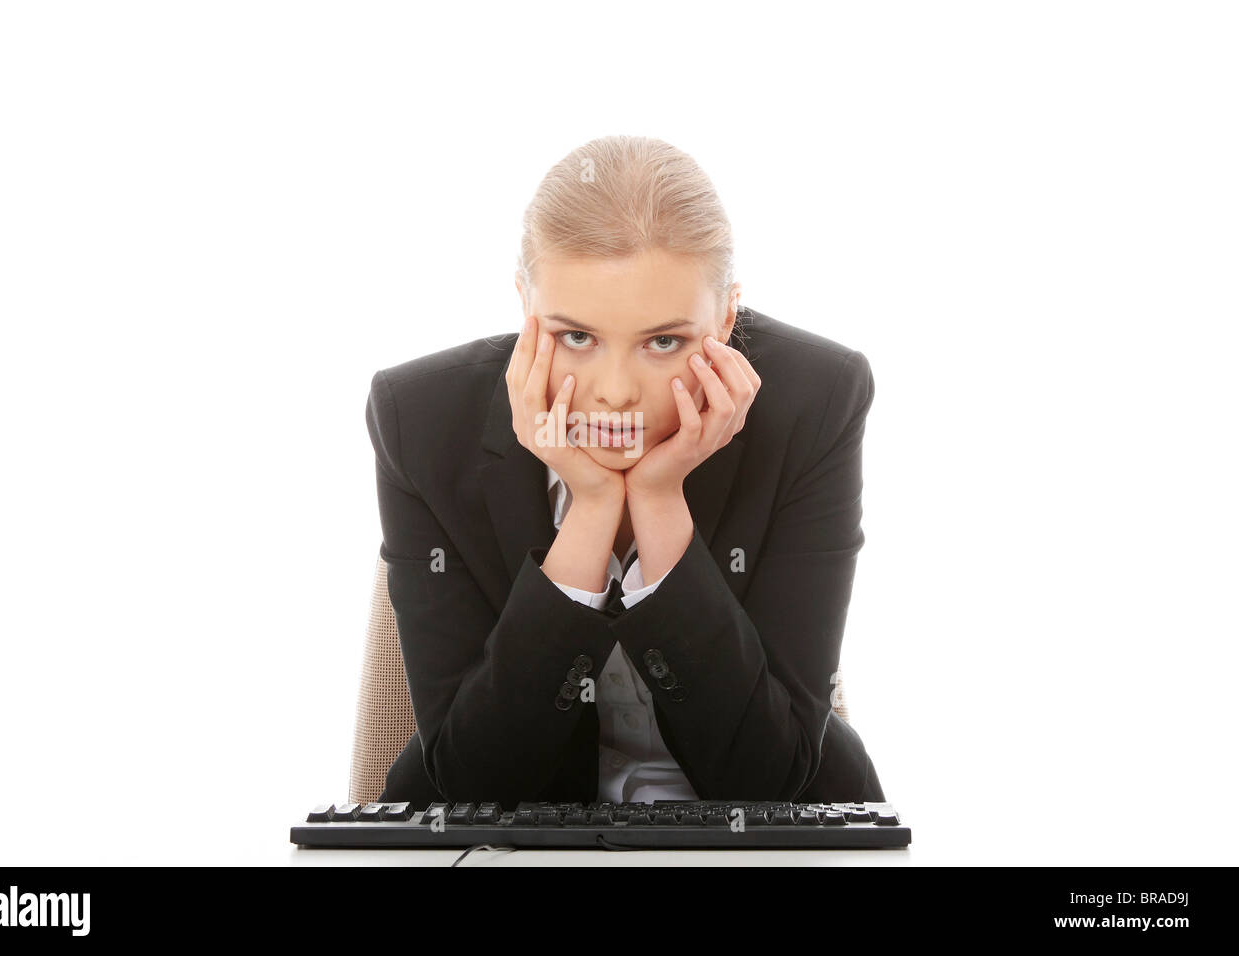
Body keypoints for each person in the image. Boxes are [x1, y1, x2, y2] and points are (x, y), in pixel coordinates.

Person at [367, 135, 886, 810]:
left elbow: (766, 779)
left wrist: (658, 495)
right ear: (525, 305)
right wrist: (588, 509)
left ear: (726, 317)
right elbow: (478, 783)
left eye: (663, 341)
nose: (614, 392)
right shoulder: (422, 418)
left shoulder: (815, 400)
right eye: (575, 336)